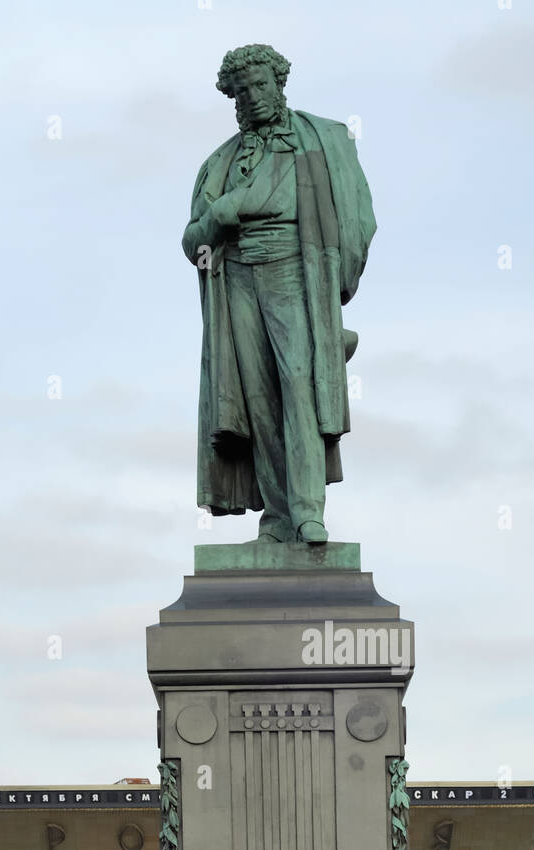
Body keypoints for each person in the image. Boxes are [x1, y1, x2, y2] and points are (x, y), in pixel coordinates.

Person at [181, 43, 375, 545]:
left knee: (301, 387)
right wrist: (217, 218)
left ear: (279, 82)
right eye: (241, 90)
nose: (252, 96)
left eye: (261, 84)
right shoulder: (220, 163)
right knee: (259, 399)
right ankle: (278, 518)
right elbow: (192, 245)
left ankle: (309, 513)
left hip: (298, 269)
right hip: (239, 277)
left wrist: (333, 294)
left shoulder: (325, 139)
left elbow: (358, 218)